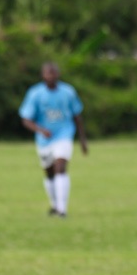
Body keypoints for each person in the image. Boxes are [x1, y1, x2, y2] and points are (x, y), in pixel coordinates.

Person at [19, 62, 87, 217]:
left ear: (58, 74)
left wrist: (82, 140)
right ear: (43, 75)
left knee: (60, 167)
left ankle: (62, 209)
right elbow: (26, 119)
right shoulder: (35, 93)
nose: (51, 76)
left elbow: (77, 116)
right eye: (48, 73)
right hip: (44, 140)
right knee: (49, 173)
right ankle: (55, 204)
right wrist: (41, 130)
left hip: (64, 135)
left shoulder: (68, 92)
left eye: (53, 73)